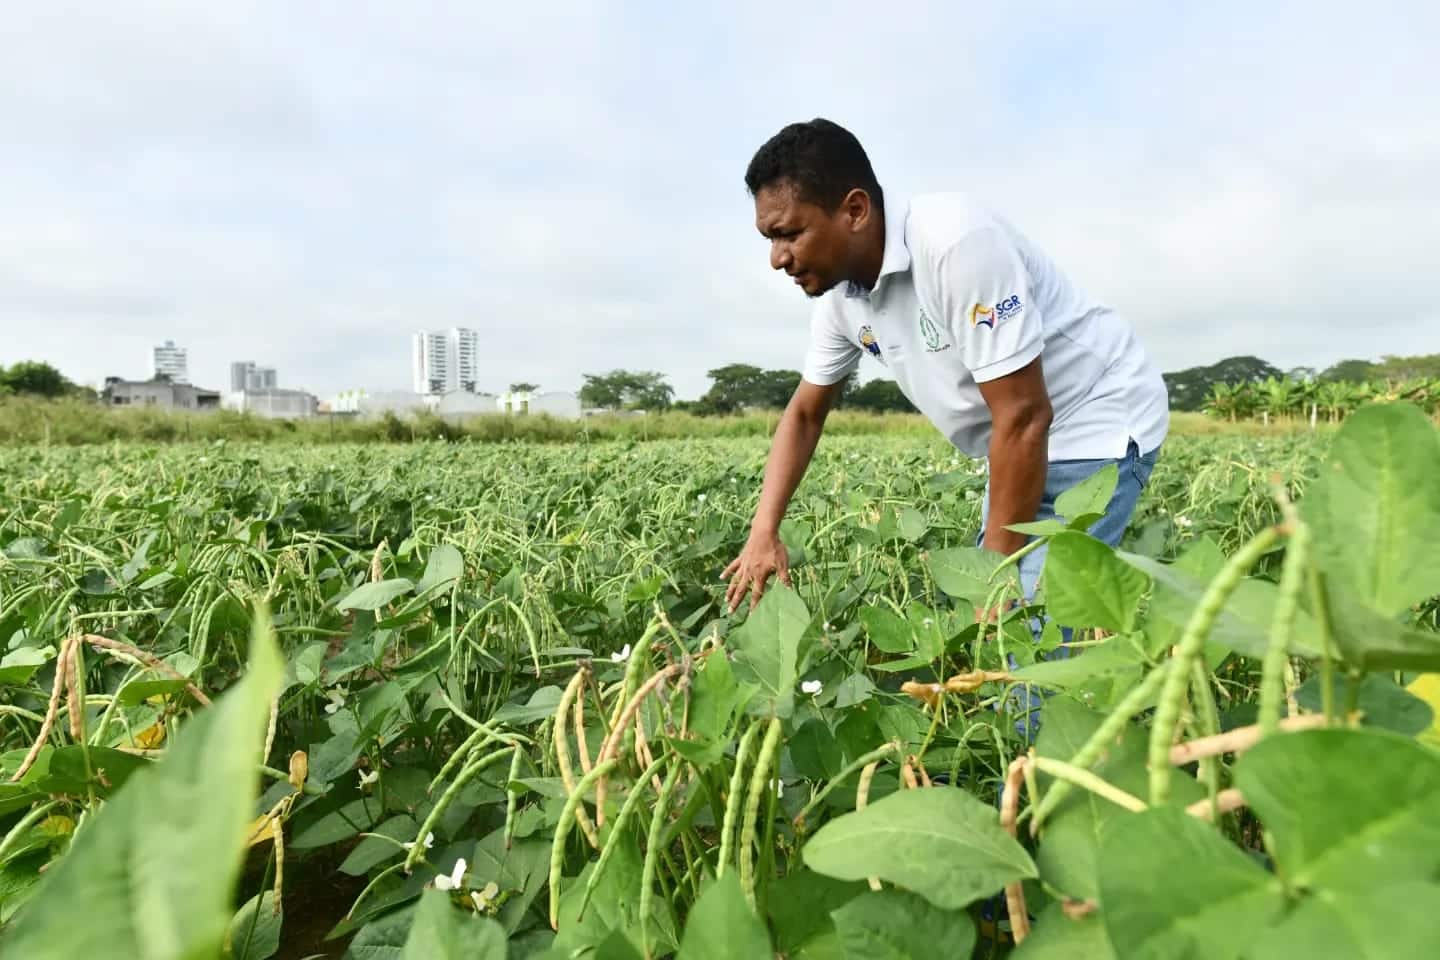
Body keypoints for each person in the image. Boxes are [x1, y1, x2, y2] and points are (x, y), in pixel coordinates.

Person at [721, 118, 1169, 616]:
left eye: (789, 233)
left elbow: (1025, 415)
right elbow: (805, 415)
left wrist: (993, 581)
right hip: (1018, 442)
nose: (777, 258)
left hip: (1094, 420)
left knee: (1024, 636)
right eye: (769, 238)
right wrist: (764, 531)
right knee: (999, 623)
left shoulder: (955, 245)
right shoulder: (841, 299)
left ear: (854, 210)